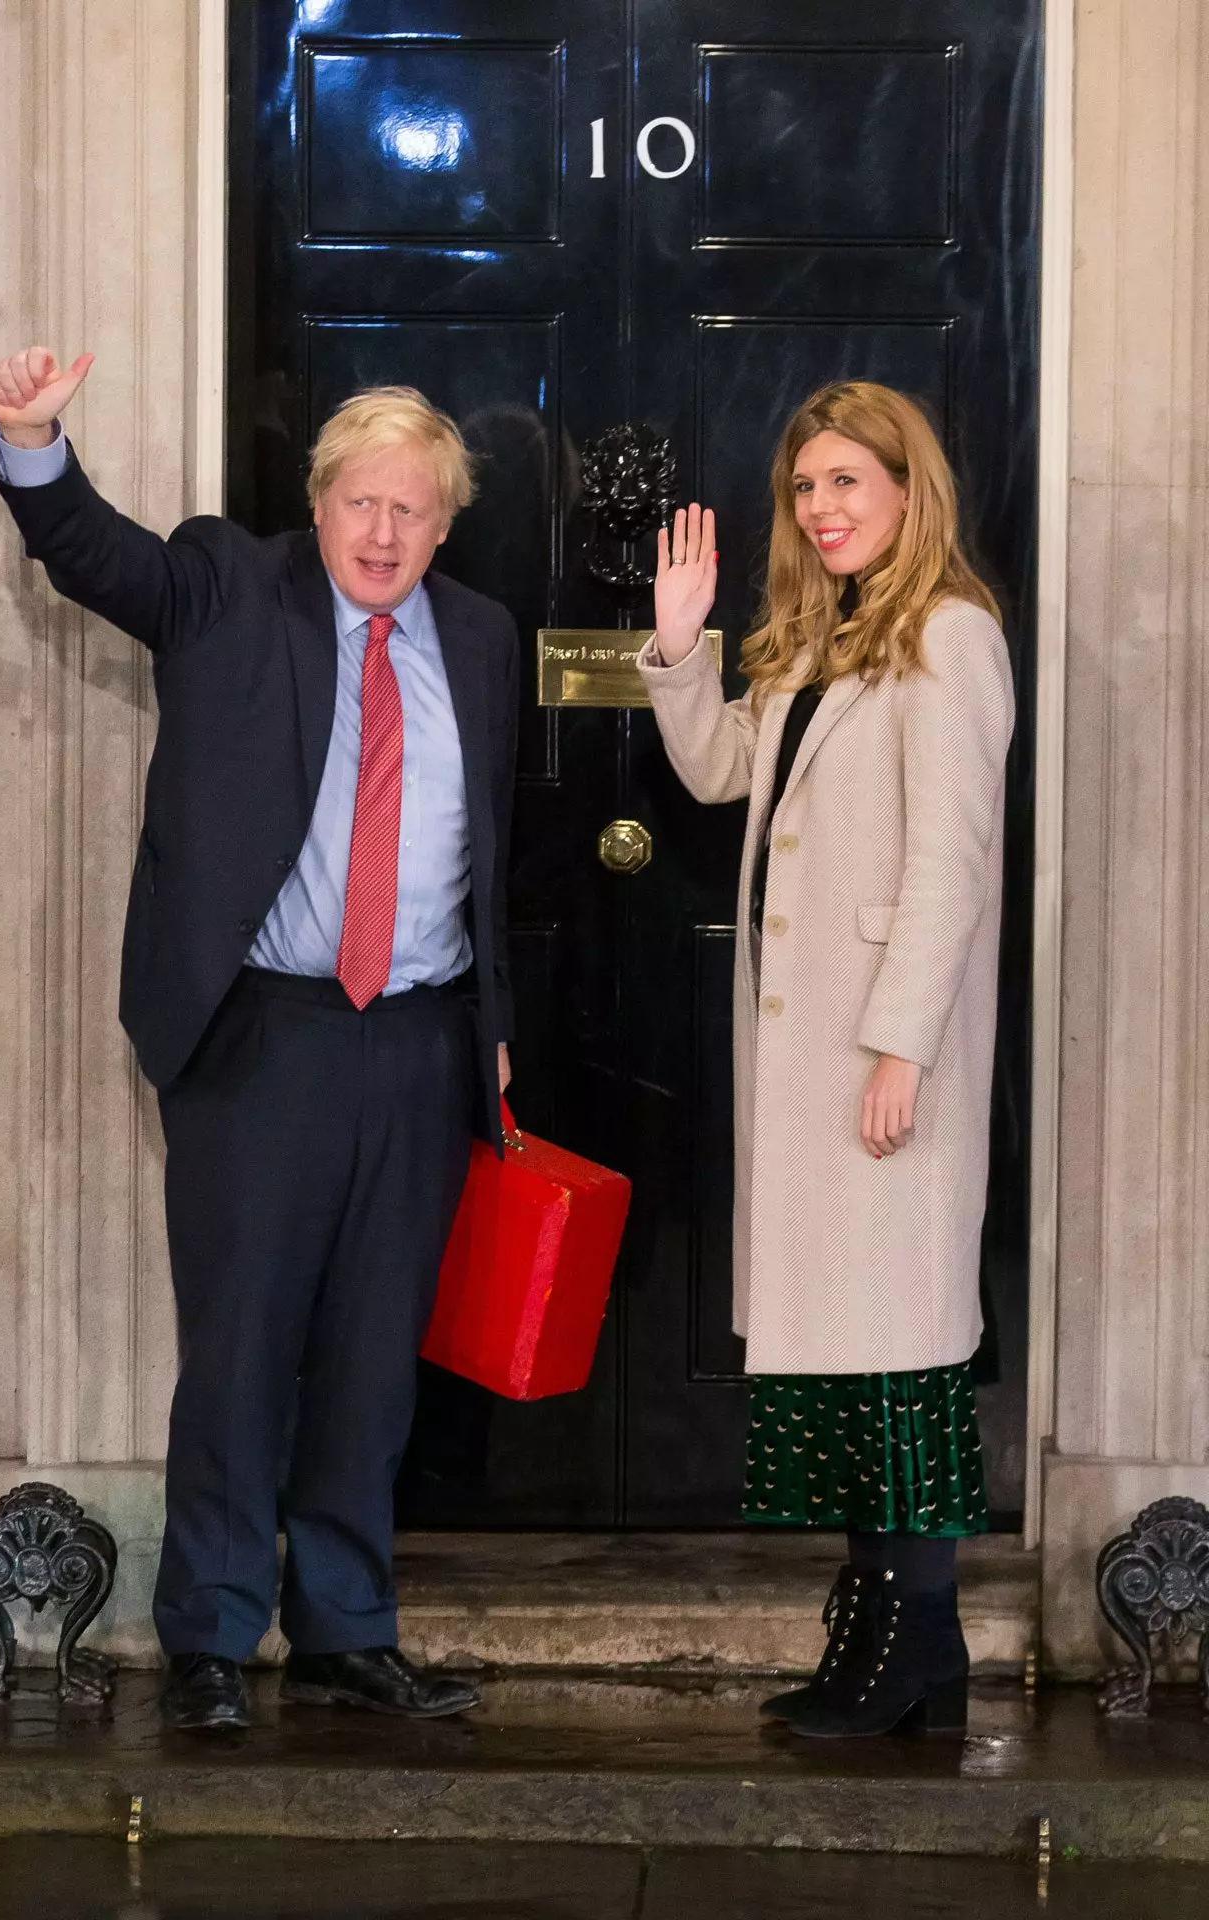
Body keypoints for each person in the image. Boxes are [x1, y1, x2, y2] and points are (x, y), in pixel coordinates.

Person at [0, 347, 518, 1732]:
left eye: (413, 511)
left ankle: (346, 1627)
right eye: (362, 504)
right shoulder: (227, 587)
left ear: (445, 525)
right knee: (238, 1343)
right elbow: (98, 557)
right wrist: (35, 439)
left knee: (371, 1352)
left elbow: (496, 861)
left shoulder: (482, 637)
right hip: (263, 1037)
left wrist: (493, 1031)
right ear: (320, 504)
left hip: (418, 1043)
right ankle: (213, 1633)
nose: (385, 533)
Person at [639, 382, 1014, 1739]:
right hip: (804, 1072)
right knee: (850, 1362)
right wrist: (680, 652)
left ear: (911, 491)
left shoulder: (953, 638)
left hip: (882, 1060)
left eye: (850, 481)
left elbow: (952, 866)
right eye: (806, 488)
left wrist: (900, 1047)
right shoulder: (811, 641)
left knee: (901, 1354)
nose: (824, 508)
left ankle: (913, 1646)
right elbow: (721, 773)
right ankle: (883, 1637)